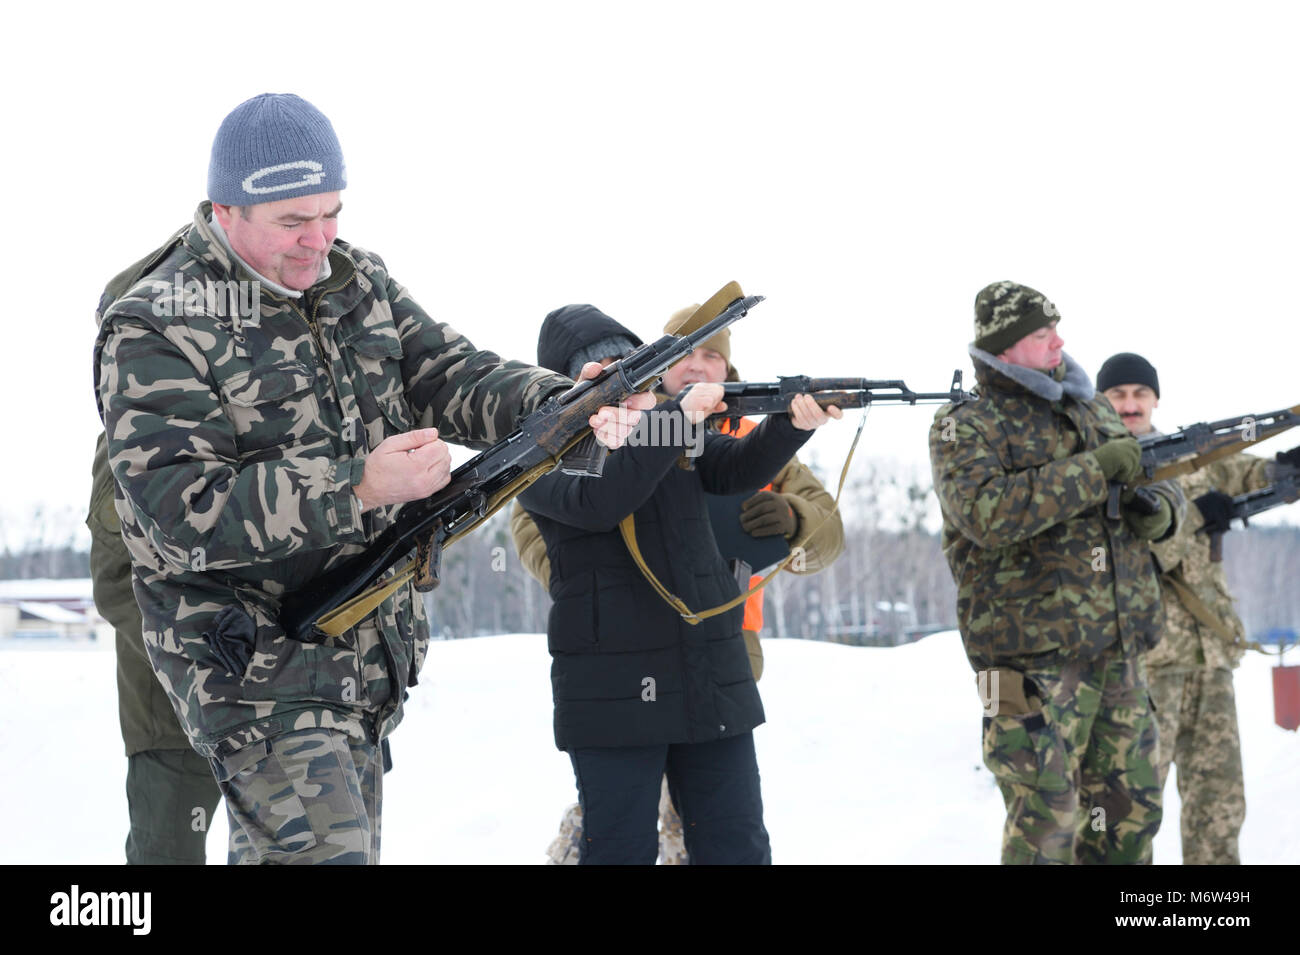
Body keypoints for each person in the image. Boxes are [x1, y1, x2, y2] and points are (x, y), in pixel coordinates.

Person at [92, 93, 651, 865]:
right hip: (250, 662)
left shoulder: (358, 280)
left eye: (332, 212)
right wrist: (356, 485)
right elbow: (181, 512)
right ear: (226, 208)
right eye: (293, 221)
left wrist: (564, 400)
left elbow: (453, 375)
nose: (319, 239)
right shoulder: (156, 322)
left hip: (359, 648)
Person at [516, 300, 845, 864]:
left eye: (628, 365)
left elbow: (735, 467)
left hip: (708, 671)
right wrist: (676, 420)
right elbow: (601, 500)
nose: (620, 381)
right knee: (620, 850)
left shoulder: (664, 423)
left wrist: (790, 424)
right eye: (599, 372)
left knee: (736, 846)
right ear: (565, 385)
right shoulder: (538, 452)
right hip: (613, 687)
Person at [929, 281, 1183, 865]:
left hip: (1117, 657)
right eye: (1043, 334)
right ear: (1007, 346)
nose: (1059, 342)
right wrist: (1094, 471)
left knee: (1126, 820)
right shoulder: (965, 424)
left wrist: (1162, 510)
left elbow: (1149, 469)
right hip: (1033, 670)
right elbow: (986, 513)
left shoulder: (1090, 405)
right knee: (1047, 828)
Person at [1098, 352, 1298, 864]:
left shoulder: (1187, 457)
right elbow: (1128, 551)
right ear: (1100, 401)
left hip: (1209, 663)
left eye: (1140, 393)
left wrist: (1284, 468)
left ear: (1155, 399)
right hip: (1139, 671)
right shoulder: (1094, 467)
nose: (1129, 404)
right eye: (1118, 394)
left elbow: (1244, 473)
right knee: (1129, 814)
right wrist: (1193, 520)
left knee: (1219, 808)